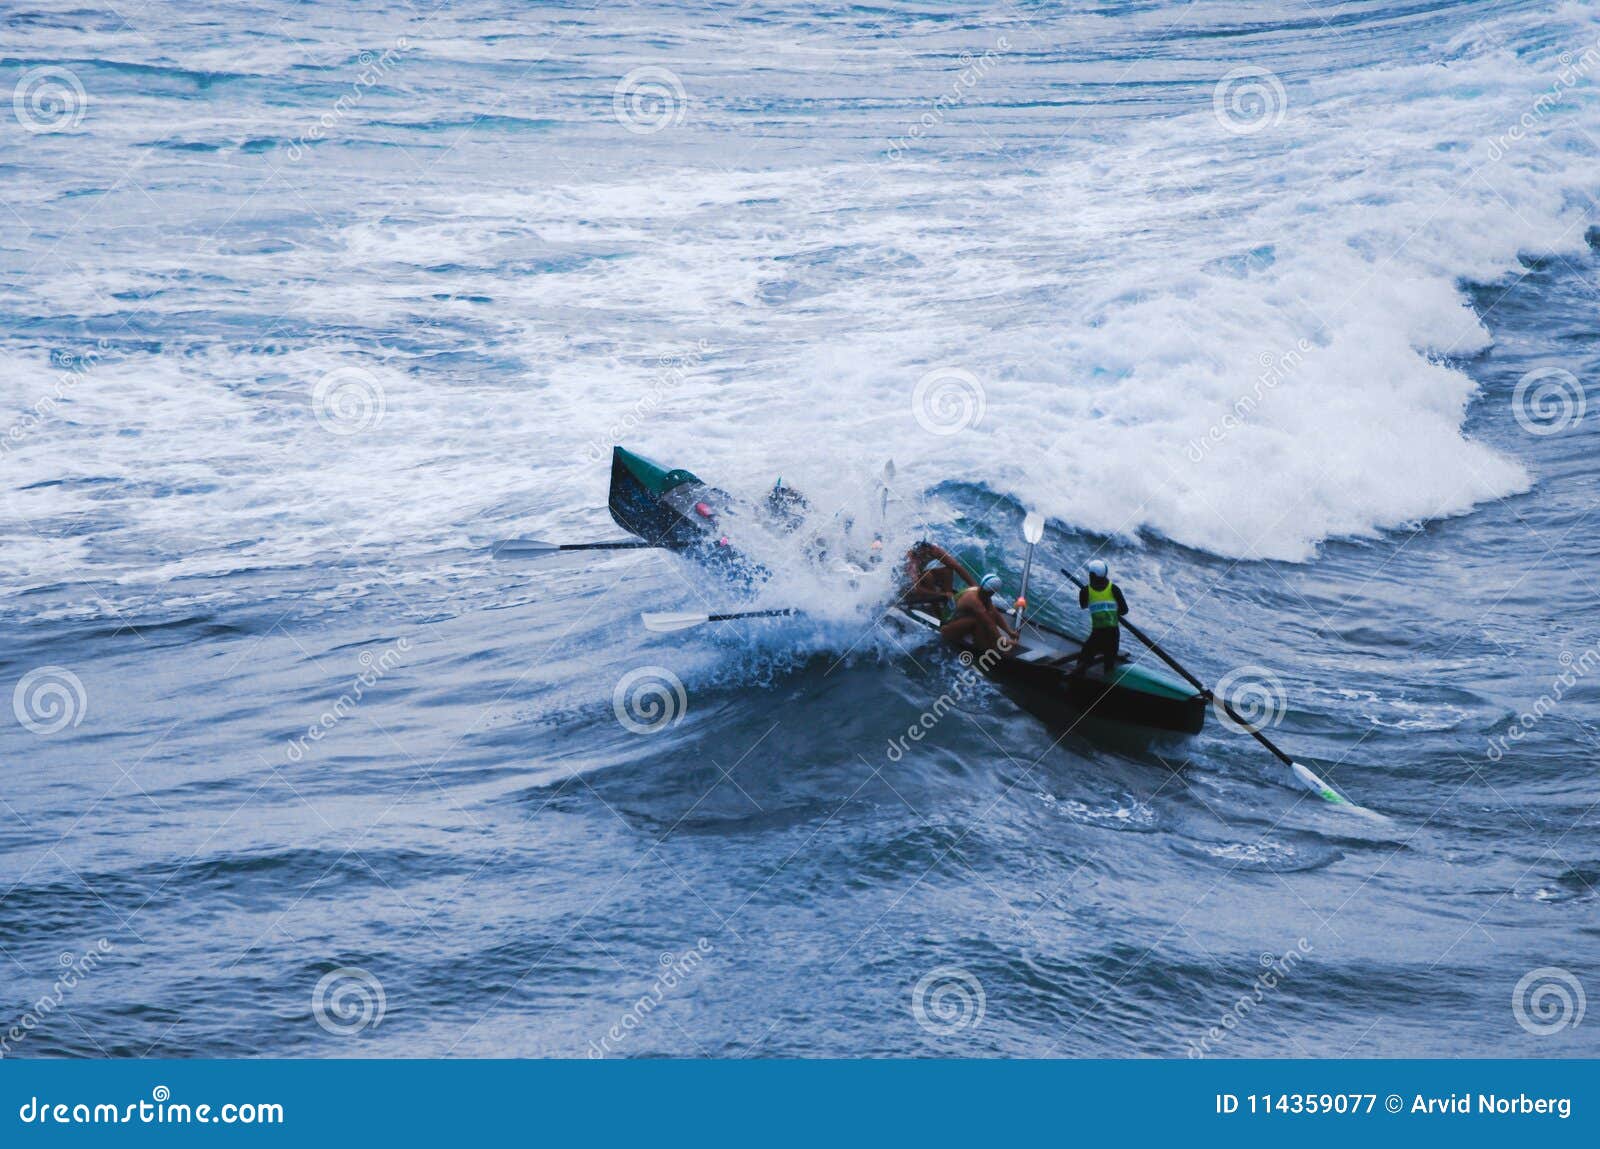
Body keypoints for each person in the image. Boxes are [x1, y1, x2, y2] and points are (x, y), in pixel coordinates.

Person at [1072, 558, 1128, 679]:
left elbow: (1083, 605)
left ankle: (1076, 680)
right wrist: (1112, 612)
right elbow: (1124, 610)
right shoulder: (1114, 589)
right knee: (1109, 665)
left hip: (1097, 634)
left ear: (1092, 575)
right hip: (1113, 634)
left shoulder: (1085, 591)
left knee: (1083, 659)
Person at [941, 571, 1020, 656]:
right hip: (947, 626)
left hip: (958, 618)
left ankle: (988, 645)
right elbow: (989, 624)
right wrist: (1003, 641)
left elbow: (995, 613)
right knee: (979, 622)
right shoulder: (974, 601)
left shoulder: (981, 592)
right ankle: (983, 649)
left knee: (989, 615)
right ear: (992, 592)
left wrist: (1009, 631)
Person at [902, 540, 979, 613]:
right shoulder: (911, 561)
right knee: (927, 576)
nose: (927, 555)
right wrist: (942, 594)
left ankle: (948, 601)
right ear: (919, 553)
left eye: (927, 552)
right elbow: (917, 588)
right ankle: (937, 609)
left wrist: (976, 588)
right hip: (908, 586)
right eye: (924, 554)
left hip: (922, 579)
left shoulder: (933, 550)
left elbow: (957, 567)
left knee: (948, 569)